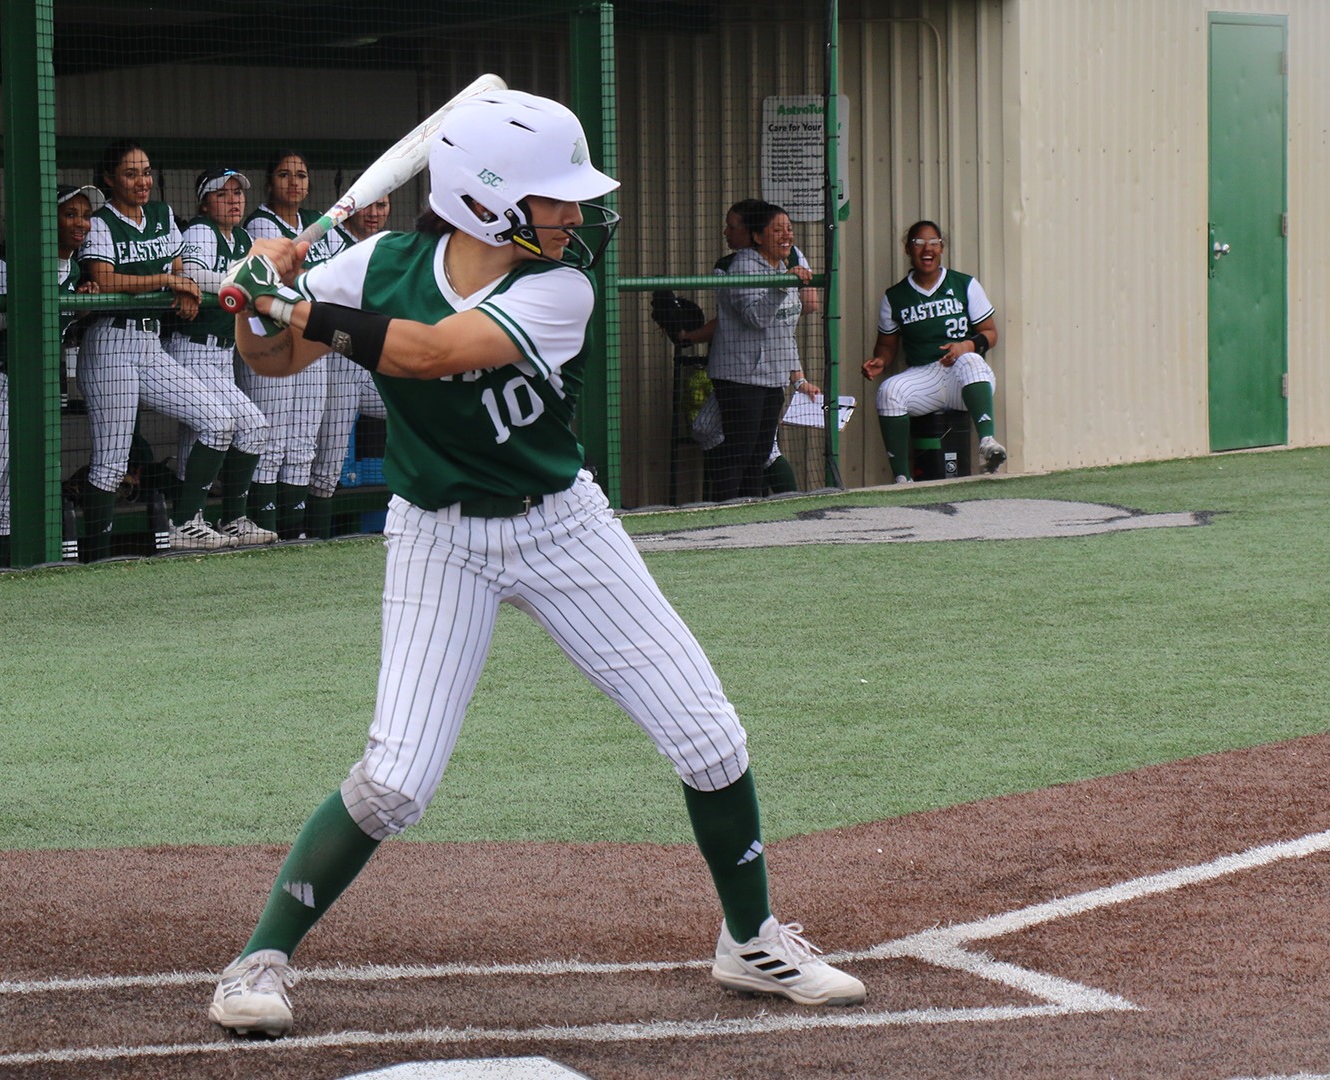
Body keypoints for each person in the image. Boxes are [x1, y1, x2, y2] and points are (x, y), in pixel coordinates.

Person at [210, 88, 866, 1039]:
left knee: (710, 737)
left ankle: (751, 937)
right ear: (484, 199)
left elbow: (433, 353)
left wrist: (293, 298)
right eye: (554, 198)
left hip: (563, 526)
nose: (574, 214)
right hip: (439, 536)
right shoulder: (379, 264)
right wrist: (257, 300)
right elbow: (271, 362)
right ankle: (257, 960)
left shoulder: (560, 287)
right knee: (395, 781)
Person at [76, 140, 239, 559]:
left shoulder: (163, 214)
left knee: (219, 422)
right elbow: (104, 279)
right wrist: (166, 282)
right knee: (112, 462)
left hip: (150, 344)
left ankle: (186, 523)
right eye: (131, 174)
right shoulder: (101, 221)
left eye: (146, 171)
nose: (142, 181)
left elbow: (179, 266)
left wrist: (182, 285)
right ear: (110, 179)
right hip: (110, 343)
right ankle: (94, 557)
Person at [0, 184, 107, 574]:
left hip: (38, 391)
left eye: (85, 215)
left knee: (7, 505)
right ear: (47, 221)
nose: (80, 222)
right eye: (70, 214)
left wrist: (81, 305)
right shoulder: (7, 265)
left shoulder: (76, 270)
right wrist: (15, 310)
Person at [676, 199, 820, 498]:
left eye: (789, 229)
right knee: (738, 452)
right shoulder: (742, 266)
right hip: (740, 377)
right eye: (777, 230)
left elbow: (784, 329)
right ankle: (726, 512)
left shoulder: (782, 268)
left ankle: (753, 513)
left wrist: (799, 379)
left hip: (773, 377)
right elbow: (755, 316)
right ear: (757, 236)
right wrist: (782, 285)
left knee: (760, 454)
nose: (786, 236)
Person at [239, 150, 349, 539]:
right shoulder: (259, 225)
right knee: (272, 440)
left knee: (303, 441)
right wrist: (306, 276)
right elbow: (273, 280)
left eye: (301, 175)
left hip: (312, 337)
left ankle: (294, 534)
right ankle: (263, 529)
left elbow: (334, 277)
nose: (294, 182)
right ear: (270, 182)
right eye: (284, 175)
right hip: (272, 337)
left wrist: (306, 275)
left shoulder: (318, 225)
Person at [165, 168, 275, 546]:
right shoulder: (200, 231)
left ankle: (233, 519)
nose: (233, 200)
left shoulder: (242, 237)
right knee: (214, 426)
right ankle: (186, 522)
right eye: (222, 194)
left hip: (223, 355)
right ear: (204, 202)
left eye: (237, 193)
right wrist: (239, 283)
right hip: (192, 349)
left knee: (255, 427)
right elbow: (193, 275)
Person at [861, 219, 1007, 483]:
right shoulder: (895, 296)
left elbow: (990, 333)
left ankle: (987, 441)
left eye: (933, 242)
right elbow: (886, 345)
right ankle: (902, 480)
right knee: (888, 392)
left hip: (962, 377)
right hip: (924, 376)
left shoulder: (964, 284)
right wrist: (880, 361)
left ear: (941, 248)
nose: (926, 249)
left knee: (971, 360)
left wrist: (965, 345)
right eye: (918, 243)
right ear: (908, 249)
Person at [303, 194, 392, 539]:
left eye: (382, 206)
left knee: (412, 403)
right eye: (369, 205)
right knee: (327, 464)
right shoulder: (332, 242)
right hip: (335, 365)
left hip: (366, 368)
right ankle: (310, 539)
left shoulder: (386, 245)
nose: (374, 213)